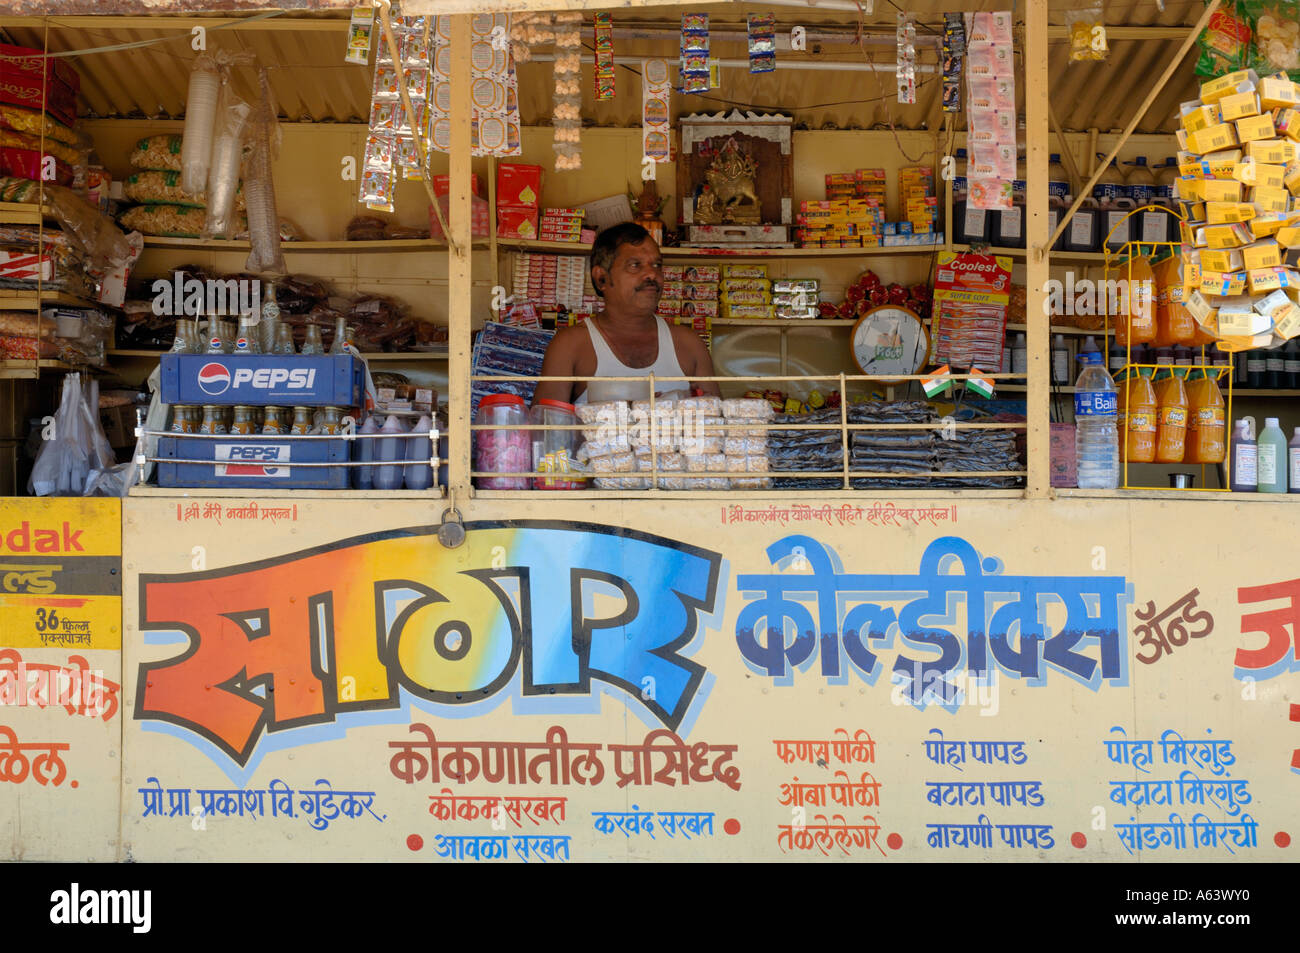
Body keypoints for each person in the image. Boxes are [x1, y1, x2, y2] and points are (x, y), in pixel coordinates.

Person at [532, 223, 721, 405]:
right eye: (635, 265)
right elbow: (546, 428)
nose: (651, 275)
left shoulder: (689, 344)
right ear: (601, 278)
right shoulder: (570, 345)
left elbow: (716, 426)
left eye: (657, 265)